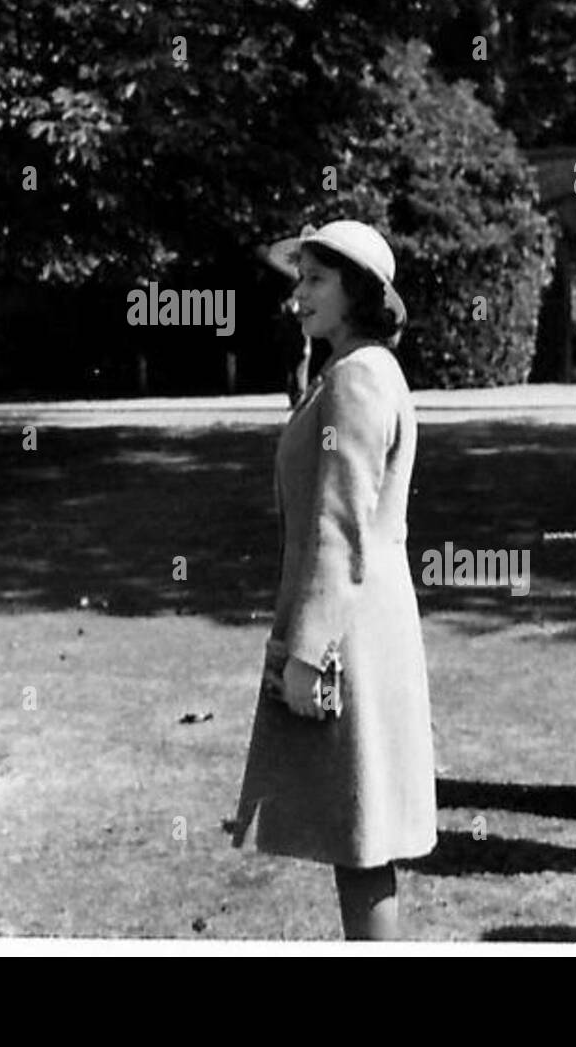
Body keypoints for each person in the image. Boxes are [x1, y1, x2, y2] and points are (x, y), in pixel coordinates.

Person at [232, 220, 437, 939]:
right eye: (300, 277)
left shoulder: (358, 378)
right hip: (363, 613)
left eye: (317, 279)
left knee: (361, 832)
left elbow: (340, 526)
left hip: (353, 626)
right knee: (357, 830)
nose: (300, 295)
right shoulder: (351, 371)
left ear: (359, 292)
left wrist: (308, 651)